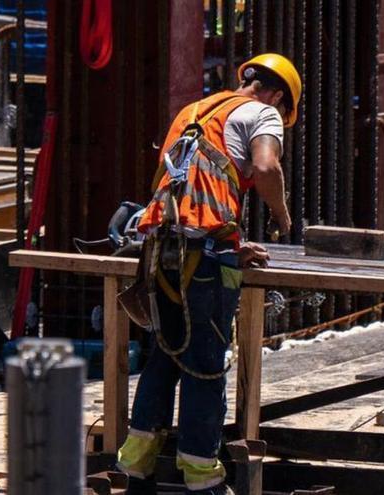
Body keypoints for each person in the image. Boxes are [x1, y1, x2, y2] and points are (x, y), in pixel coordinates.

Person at [116, 53, 301, 494]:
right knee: (205, 365)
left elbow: (191, 188)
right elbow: (265, 167)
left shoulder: (194, 111)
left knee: (164, 357)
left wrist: (233, 244)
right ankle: (203, 480)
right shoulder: (263, 113)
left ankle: (136, 469)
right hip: (205, 258)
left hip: (161, 250)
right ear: (276, 95)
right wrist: (281, 213)